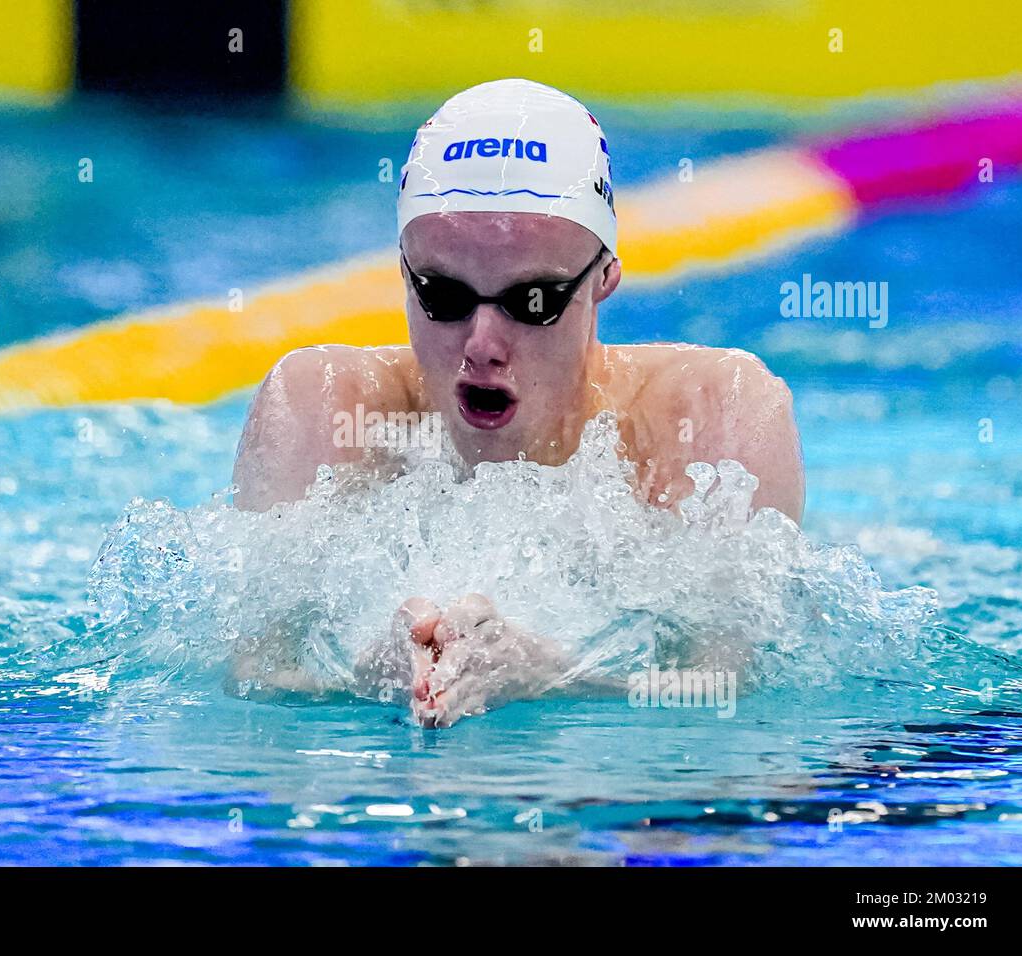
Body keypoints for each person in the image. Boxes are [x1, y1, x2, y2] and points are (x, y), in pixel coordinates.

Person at [230, 78, 804, 727]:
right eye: (442, 296)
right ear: (401, 271)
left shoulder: (705, 414)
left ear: (606, 279)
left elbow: (730, 698)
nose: (482, 345)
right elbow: (255, 682)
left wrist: (555, 677)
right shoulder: (324, 409)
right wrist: (362, 681)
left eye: (532, 302)